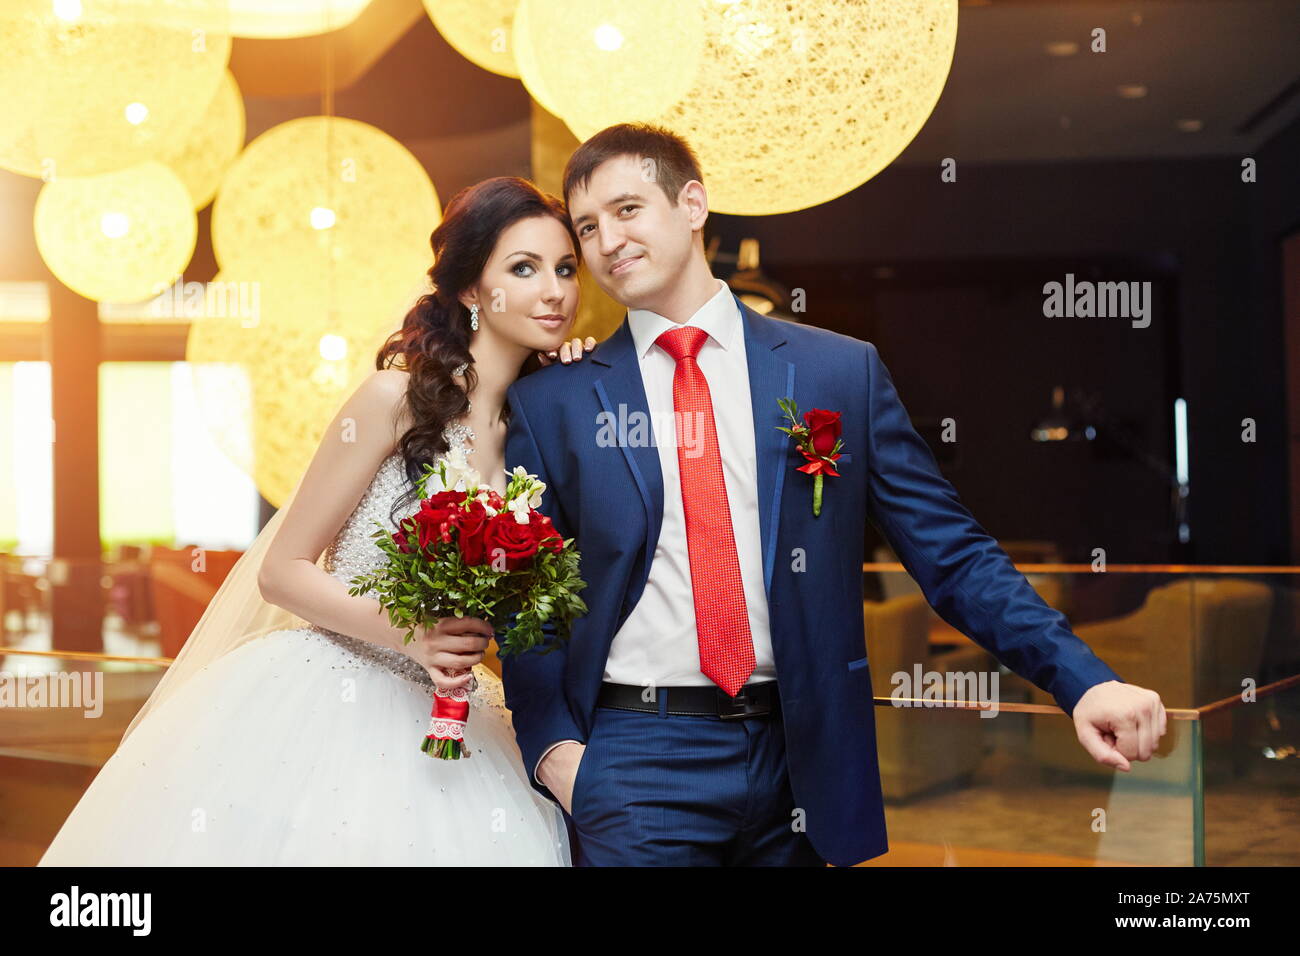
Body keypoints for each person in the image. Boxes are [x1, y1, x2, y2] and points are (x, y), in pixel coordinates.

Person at [500, 123, 1169, 867]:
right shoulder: (554, 401)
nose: (606, 241)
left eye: (627, 210)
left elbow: (952, 554)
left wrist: (1083, 682)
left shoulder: (836, 373)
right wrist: (557, 751)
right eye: (587, 226)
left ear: (692, 203)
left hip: (806, 755)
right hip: (638, 755)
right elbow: (529, 602)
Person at [39, 176, 595, 866]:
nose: (555, 291)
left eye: (566, 268)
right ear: (470, 290)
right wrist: (414, 633)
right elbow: (282, 571)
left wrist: (581, 382)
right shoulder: (395, 397)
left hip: (461, 716)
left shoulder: (541, 427)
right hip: (332, 696)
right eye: (524, 268)